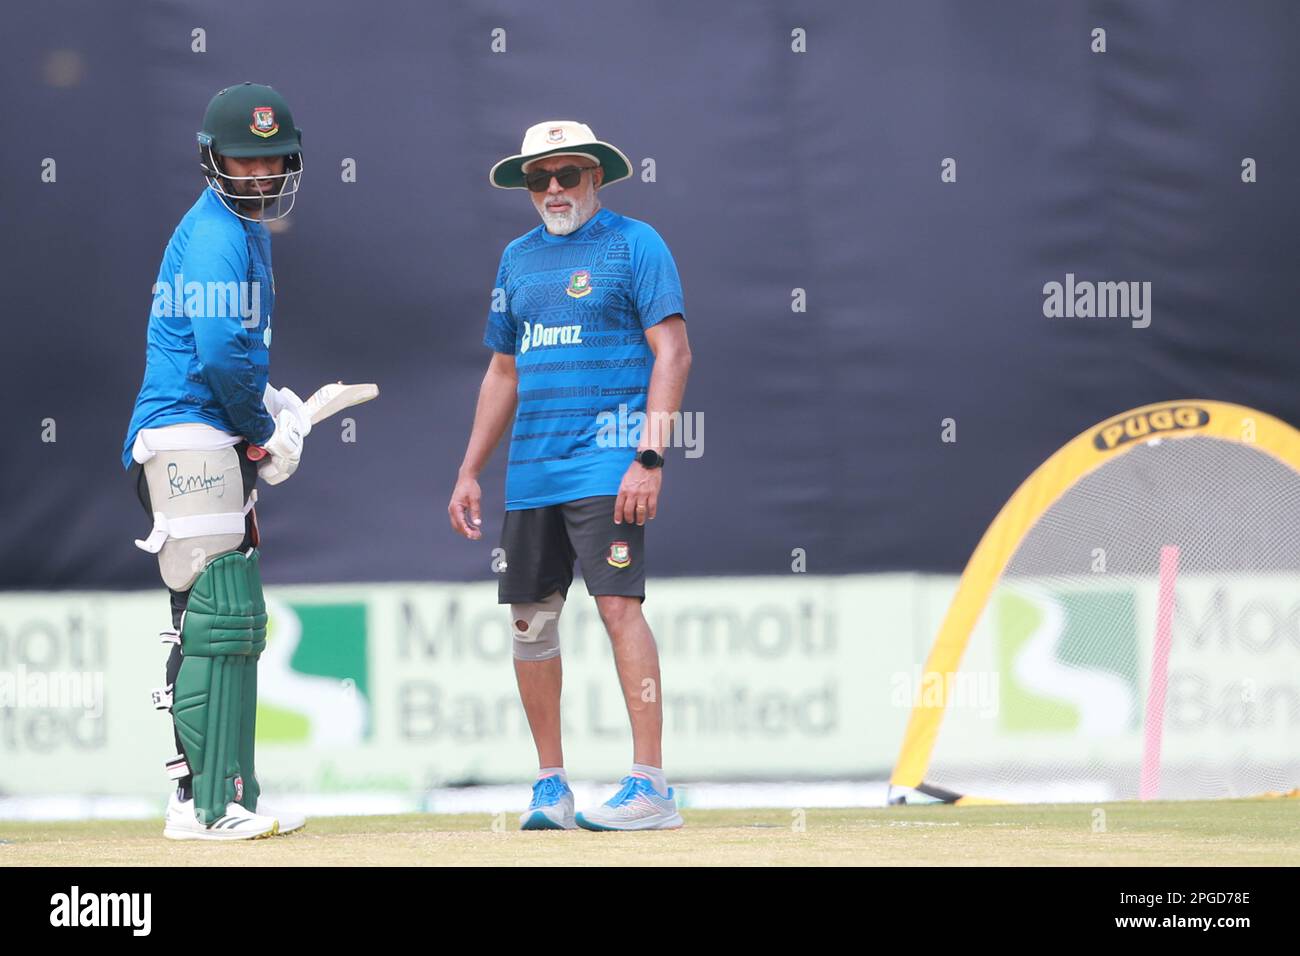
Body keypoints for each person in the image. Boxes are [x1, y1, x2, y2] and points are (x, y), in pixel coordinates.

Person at [449, 121, 693, 830]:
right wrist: (470, 470)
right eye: (538, 179)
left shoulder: (634, 243)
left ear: (597, 176)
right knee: (531, 624)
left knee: (618, 608)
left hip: (608, 462)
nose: (553, 190)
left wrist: (649, 457)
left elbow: (673, 354)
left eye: (567, 175)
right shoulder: (516, 261)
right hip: (531, 470)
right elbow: (503, 369)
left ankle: (651, 787)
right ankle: (550, 787)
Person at [123, 82, 309, 840]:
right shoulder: (216, 234)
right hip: (184, 435)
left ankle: (228, 793)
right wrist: (261, 431)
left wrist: (268, 402)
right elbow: (217, 349)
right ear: (212, 158)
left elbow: (232, 350)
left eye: (272, 161)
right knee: (207, 621)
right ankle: (198, 804)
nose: (260, 175)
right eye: (245, 159)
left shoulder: (247, 229)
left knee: (228, 615)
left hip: (206, 432)